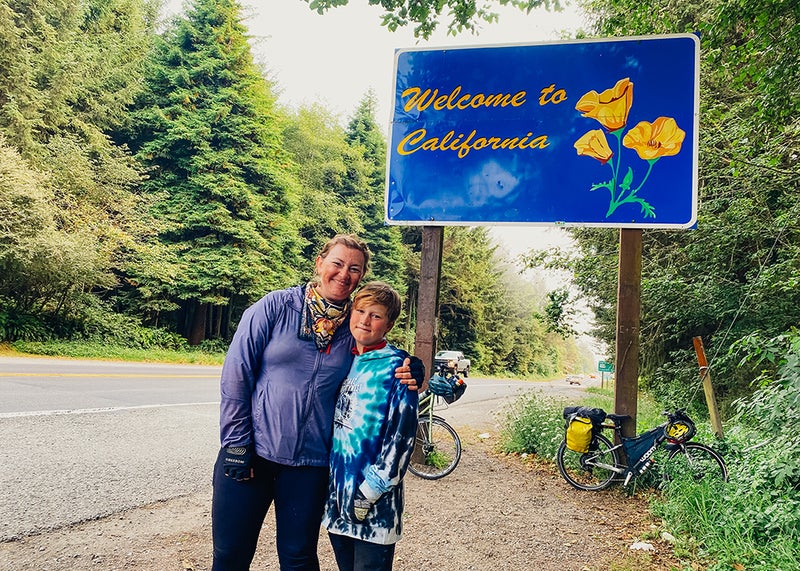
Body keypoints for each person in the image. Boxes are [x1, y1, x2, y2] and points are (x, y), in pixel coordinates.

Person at [211, 235, 423, 571]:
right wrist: (237, 443)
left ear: (361, 276)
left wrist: (411, 365)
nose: (344, 274)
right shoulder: (275, 307)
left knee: (298, 558)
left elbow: (377, 354)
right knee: (230, 555)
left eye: (354, 269)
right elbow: (236, 375)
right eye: (337, 263)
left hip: (309, 464)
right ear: (320, 263)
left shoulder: (353, 326)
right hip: (253, 453)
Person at [322, 281, 418, 571]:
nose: (365, 320)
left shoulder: (398, 368)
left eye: (375, 315)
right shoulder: (343, 359)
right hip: (338, 498)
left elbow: (401, 438)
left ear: (388, 325)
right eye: (360, 311)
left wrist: (369, 493)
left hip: (374, 507)